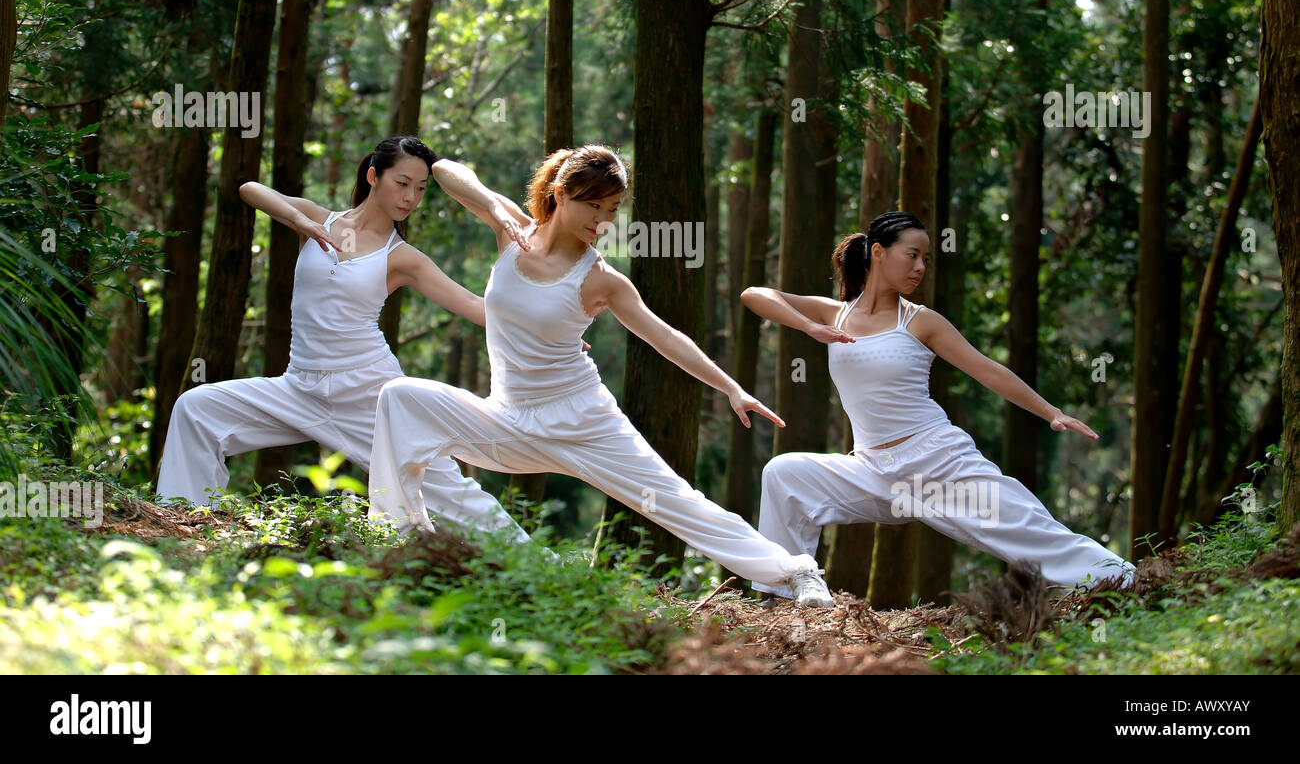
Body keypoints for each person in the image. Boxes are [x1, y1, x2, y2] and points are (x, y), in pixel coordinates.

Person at [366, 145, 835, 606]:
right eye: (593, 205)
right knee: (400, 398)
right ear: (559, 194)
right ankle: (398, 535)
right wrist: (492, 204)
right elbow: (445, 168)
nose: (602, 220)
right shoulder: (513, 233)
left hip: (583, 420)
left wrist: (732, 389)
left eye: (611, 209)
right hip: (507, 419)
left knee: (676, 501)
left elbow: (666, 337)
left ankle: (796, 570)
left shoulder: (601, 279)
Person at [740, 210, 1136, 601]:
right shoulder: (835, 313)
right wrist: (809, 326)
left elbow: (987, 370)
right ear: (878, 253)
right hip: (872, 471)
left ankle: (1126, 581)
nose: (920, 267)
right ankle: (789, 594)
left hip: (937, 462)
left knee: (1028, 527)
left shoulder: (921, 321)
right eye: (912, 255)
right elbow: (755, 295)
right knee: (784, 473)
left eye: (925, 258)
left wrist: (1052, 412)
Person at [155, 136, 532, 545]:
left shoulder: (403, 257)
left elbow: (477, 308)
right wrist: (300, 221)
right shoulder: (321, 222)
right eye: (402, 183)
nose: (411, 197)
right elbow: (250, 190)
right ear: (374, 176)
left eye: (421, 189)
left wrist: (538, 329)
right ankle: (181, 530)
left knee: (449, 493)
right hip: (300, 387)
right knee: (196, 410)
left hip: (370, 393)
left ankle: (536, 565)